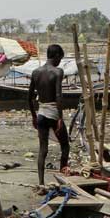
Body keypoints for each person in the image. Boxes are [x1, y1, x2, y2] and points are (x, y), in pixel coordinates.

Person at [28, 44, 71, 186]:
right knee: (65, 146)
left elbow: (29, 98)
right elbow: (59, 96)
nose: (60, 61)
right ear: (57, 56)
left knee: (43, 149)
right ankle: (62, 178)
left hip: (41, 113)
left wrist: (34, 116)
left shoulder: (35, 72)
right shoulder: (58, 72)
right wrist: (60, 118)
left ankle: (41, 183)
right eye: (60, 58)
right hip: (53, 112)